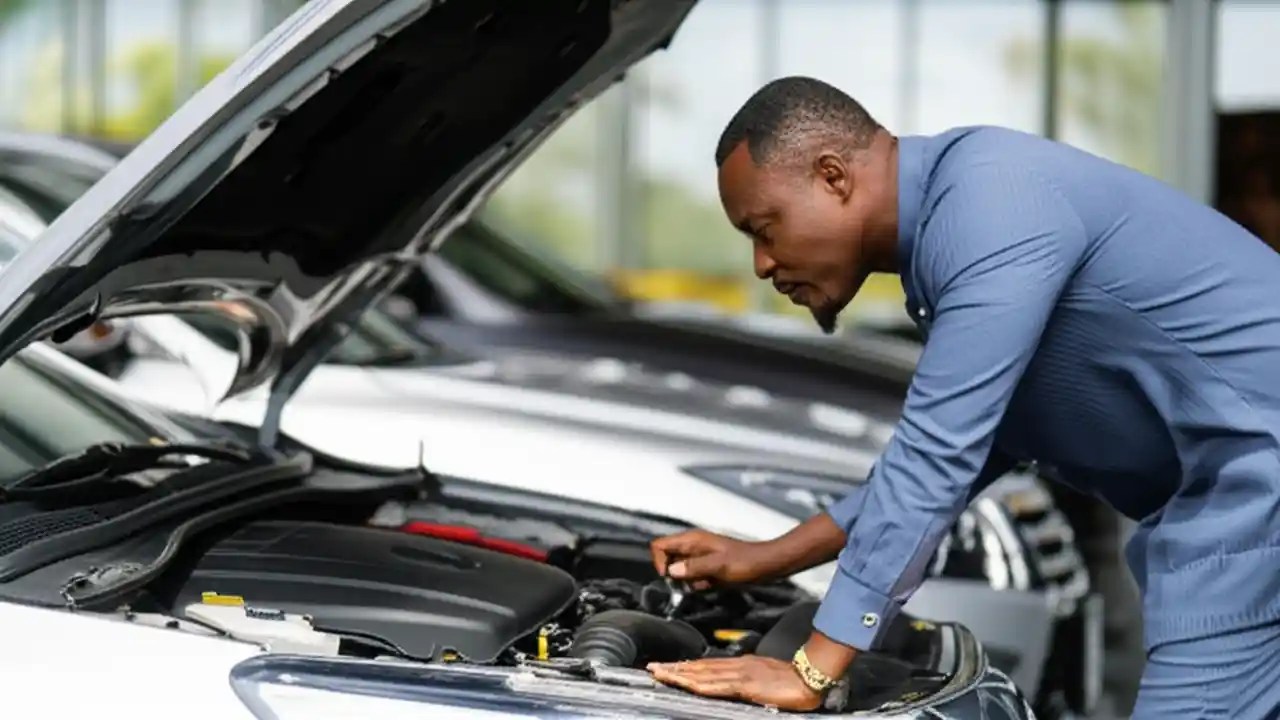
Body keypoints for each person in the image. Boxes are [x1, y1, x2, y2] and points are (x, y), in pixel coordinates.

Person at [644, 76, 1280, 718]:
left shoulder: (992, 205)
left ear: (833, 177)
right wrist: (768, 557)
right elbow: (975, 446)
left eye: (764, 228)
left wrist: (813, 669)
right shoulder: (961, 218)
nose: (759, 264)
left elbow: (935, 455)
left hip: (1260, 495)